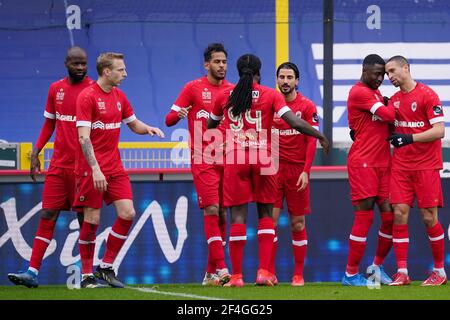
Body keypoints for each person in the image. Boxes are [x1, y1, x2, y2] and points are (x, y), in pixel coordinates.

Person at [207, 54, 329, 287]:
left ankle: (236, 276)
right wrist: (320, 134)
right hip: (264, 158)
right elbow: (294, 122)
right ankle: (264, 272)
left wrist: (223, 134)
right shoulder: (270, 95)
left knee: (239, 217)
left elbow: (211, 125)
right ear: (260, 74)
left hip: (236, 158)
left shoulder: (224, 95)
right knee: (265, 216)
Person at [74, 52, 164, 288]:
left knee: (127, 213)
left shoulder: (119, 96)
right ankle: (86, 276)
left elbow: (133, 124)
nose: (125, 74)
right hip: (90, 169)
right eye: (121, 70)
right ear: (107, 71)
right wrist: (95, 169)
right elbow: (83, 138)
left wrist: (149, 129)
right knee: (91, 219)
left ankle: (106, 267)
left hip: (115, 168)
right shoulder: (87, 97)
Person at [7, 47, 94, 288]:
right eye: (75, 63)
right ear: (66, 63)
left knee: (84, 216)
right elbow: (49, 123)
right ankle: (32, 272)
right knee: (47, 214)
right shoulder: (56, 89)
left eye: (83, 64)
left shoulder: (94, 90)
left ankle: (87, 275)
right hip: (58, 165)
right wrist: (36, 150)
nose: (80, 67)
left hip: (83, 167)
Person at [165, 43, 233, 286]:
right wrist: (179, 115)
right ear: (207, 64)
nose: (221, 66)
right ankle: (223, 268)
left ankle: (209, 273)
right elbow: (169, 119)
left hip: (228, 159)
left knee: (223, 212)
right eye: (217, 62)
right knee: (212, 209)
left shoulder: (232, 91)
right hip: (203, 157)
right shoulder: (192, 88)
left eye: (224, 62)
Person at [385, 55, 446, 286]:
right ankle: (402, 272)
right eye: (387, 73)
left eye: (392, 71)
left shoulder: (428, 95)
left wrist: (409, 138)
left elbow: (439, 131)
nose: (389, 76)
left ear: (406, 68)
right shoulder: (393, 100)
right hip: (401, 167)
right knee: (399, 214)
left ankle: (439, 272)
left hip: (426, 166)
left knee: (429, 218)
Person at [342, 54, 396, 286]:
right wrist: (395, 102)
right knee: (364, 217)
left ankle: (376, 267)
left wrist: (386, 101)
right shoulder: (359, 92)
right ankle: (350, 274)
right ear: (364, 70)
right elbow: (389, 115)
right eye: (376, 73)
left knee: (391, 215)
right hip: (363, 162)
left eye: (383, 74)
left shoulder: (375, 93)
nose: (380, 78)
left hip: (384, 162)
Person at [269, 62, 320, 287]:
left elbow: (311, 140)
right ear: (277, 79)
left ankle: (298, 274)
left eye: (290, 77)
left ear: (297, 81)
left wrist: (306, 171)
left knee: (297, 224)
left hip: (296, 171)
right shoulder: (270, 104)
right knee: (269, 223)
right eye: (282, 77)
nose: (286, 81)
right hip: (271, 170)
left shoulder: (307, 106)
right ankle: (268, 272)